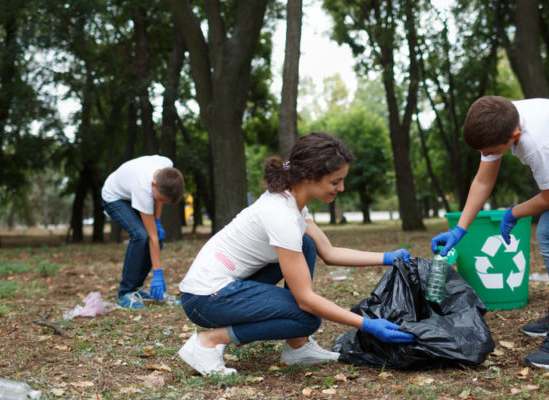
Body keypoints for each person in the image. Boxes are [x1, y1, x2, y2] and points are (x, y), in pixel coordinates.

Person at [177, 132, 414, 376]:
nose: (341, 188)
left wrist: (388, 257)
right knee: (307, 318)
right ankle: (209, 342)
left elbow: (329, 252)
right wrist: (368, 324)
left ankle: (297, 347)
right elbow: (306, 300)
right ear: (310, 177)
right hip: (205, 299)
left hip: (221, 288)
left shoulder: (294, 201)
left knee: (307, 244)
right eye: (335, 182)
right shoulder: (281, 215)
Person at [431, 96, 549, 369]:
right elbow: (483, 180)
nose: (490, 154)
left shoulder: (537, 142)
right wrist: (461, 229)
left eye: (494, 150)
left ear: (515, 135)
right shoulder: (497, 120)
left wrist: (514, 212)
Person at [101, 155, 185, 309]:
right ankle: (124, 293)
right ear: (153, 184)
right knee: (141, 235)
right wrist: (158, 274)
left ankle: (136, 289)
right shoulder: (143, 187)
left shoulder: (167, 168)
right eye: (162, 198)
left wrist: (157, 222)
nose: (162, 202)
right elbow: (151, 236)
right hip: (114, 196)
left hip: (133, 189)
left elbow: (158, 199)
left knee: (156, 236)